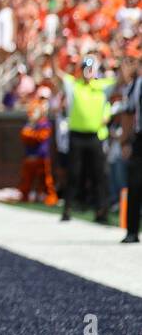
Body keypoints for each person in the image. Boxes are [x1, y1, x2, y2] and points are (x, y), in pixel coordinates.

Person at [56, 54, 114, 223]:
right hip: (77, 137)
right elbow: (57, 73)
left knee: (99, 175)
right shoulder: (75, 86)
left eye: (90, 68)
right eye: (85, 68)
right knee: (73, 174)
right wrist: (55, 53)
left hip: (95, 137)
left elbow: (121, 80)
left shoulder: (102, 87)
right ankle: (67, 209)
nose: (87, 72)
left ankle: (101, 211)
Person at [17, 101, 56, 206]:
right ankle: (24, 197)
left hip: (41, 157)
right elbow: (24, 135)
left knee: (46, 180)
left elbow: (41, 137)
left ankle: (49, 197)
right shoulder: (30, 124)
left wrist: (31, 134)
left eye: (34, 111)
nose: (31, 114)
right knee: (26, 180)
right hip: (30, 157)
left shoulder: (44, 123)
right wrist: (31, 134)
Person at [119, 57, 141, 244]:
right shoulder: (136, 86)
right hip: (140, 138)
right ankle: (132, 231)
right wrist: (125, 141)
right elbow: (128, 113)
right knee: (134, 185)